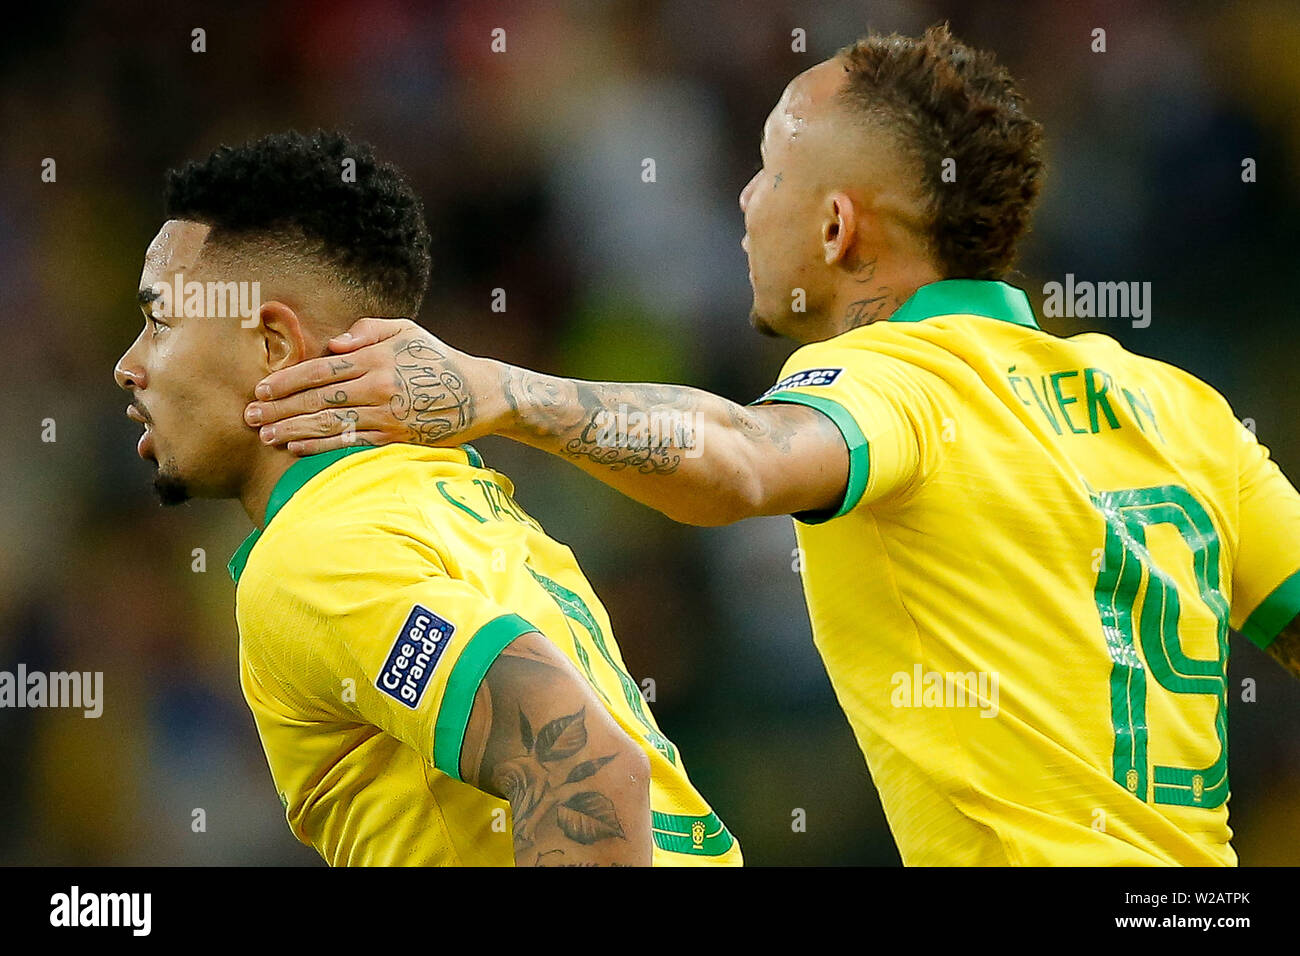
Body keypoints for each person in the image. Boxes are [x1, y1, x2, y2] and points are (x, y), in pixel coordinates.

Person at [244, 26, 1300, 866]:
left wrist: (495, 392)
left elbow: (744, 456)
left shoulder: (901, 378)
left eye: (764, 169)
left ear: (837, 230)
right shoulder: (1174, 403)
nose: (745, 202)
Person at [114, 130, 741, 867]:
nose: (129, 367)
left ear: (273, 348)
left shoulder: (314, 553)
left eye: (159, 323)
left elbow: (583, 763)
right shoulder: (470, 498)